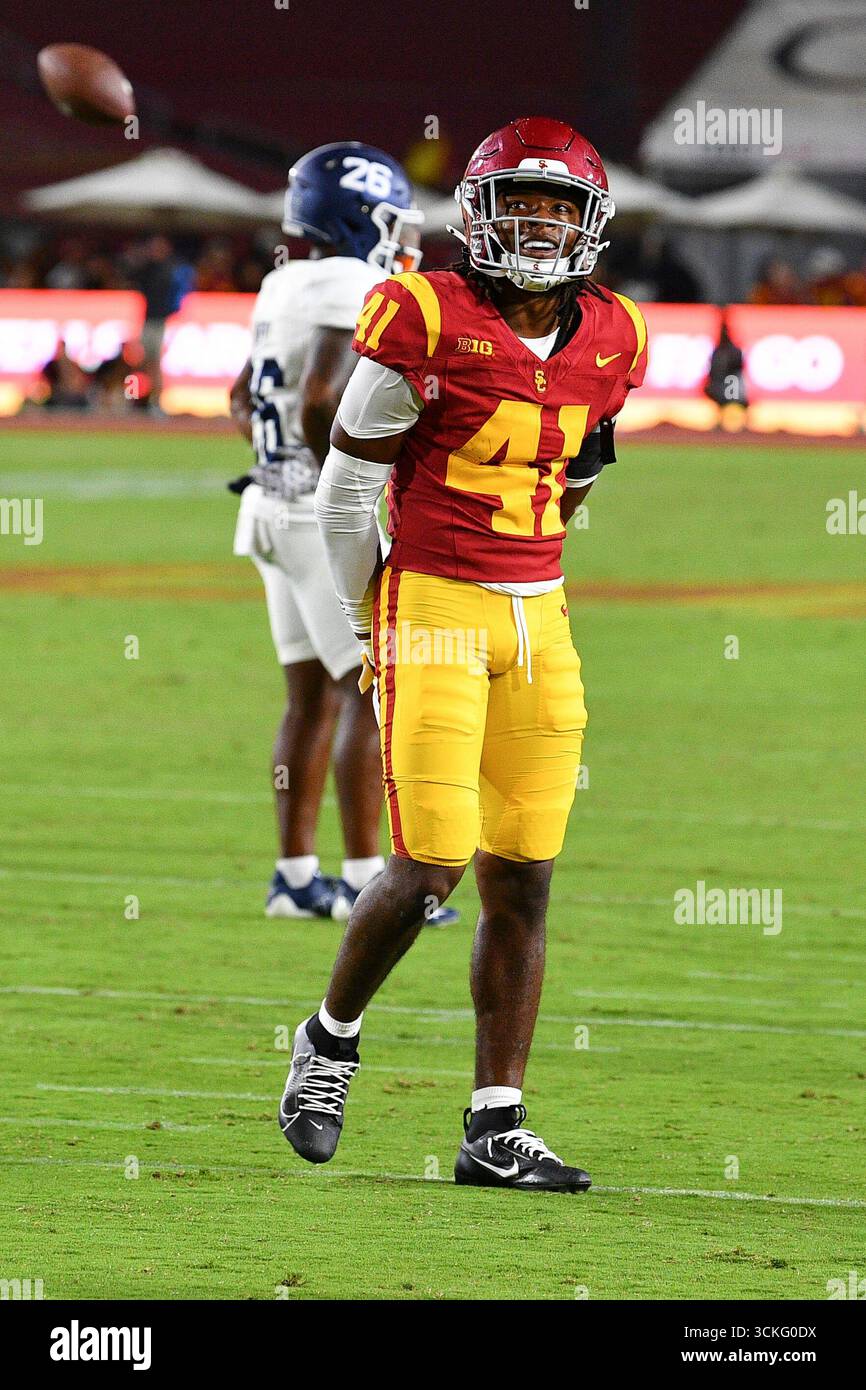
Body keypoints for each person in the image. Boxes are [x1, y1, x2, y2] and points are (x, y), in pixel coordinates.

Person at [279, 117, 648, 1192]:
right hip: (431, 599)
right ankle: (330, 1037)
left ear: (590, 224)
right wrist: (363, 620)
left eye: (555, 207)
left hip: (541, 615)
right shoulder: (423, 311)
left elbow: (584, 460)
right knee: (430, 862)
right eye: (517, 204)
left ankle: (495, 1123)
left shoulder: (615, 333)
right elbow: (348, 486)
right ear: (477, 214)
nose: (535, 226)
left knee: (523, 876)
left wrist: (538, 537)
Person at [229, 142, 456, 926]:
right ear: (359, 212)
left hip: (264, 503)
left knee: (310, 701)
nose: (398, 235)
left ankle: (296, 877)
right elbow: (324, 395)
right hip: (307, 513)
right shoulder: (351, 282)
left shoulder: (282, 280)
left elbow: (241, 396)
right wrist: (352, 486)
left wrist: (286, 466)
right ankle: (368, 881)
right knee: (372, 691)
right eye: (388, 218)